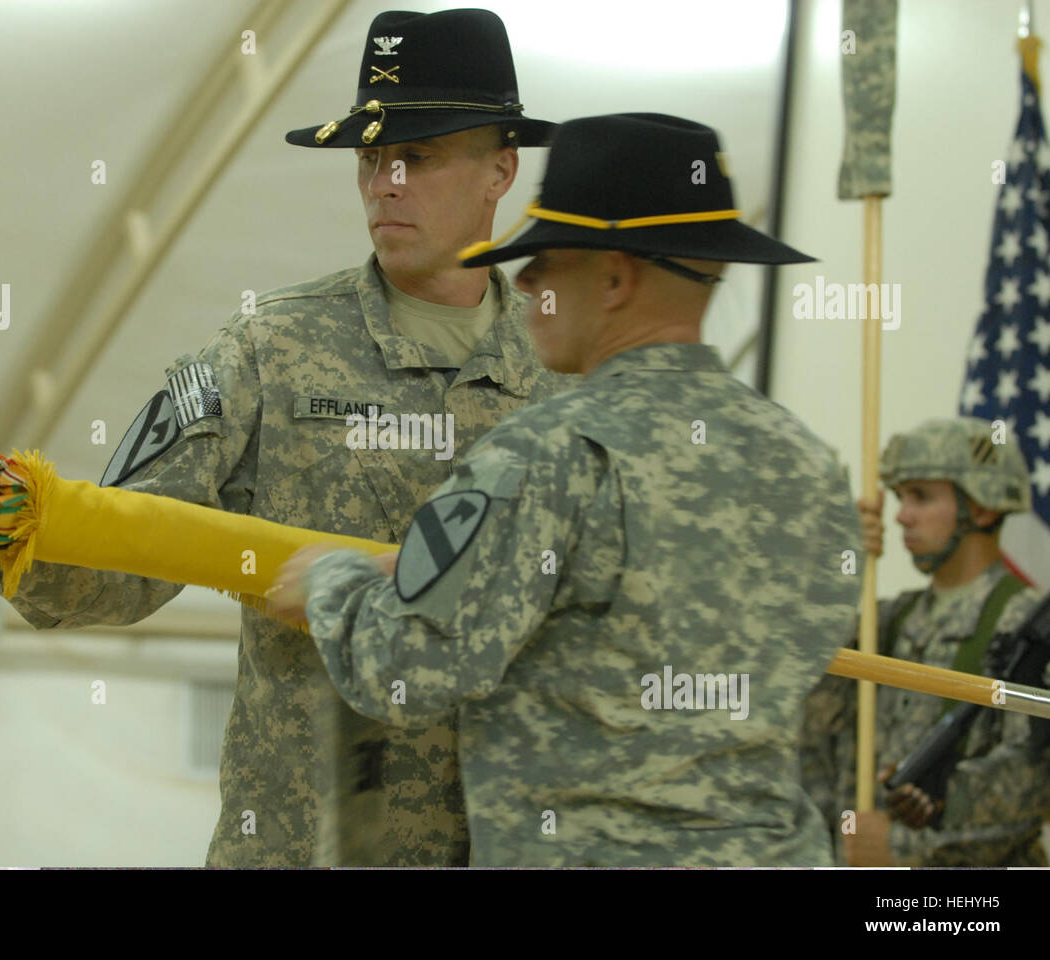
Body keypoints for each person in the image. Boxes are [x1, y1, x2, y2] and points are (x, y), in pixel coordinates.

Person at [0, 9, 563, 867]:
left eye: (416, 157)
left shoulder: (567, 376)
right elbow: (124, 553)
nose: (385, 183)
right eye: (371, 159)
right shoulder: (269, 349)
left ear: (502, 169)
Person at [268, 113, 864, 866]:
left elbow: (407, 668)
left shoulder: (550, 452)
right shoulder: (807, 465)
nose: (527, 282)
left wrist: (332, 581)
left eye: (546, 261)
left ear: (614, 277)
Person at [801, 417, 1050, 866]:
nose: (900, 515)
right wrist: (838, 571)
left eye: (921, 497)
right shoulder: (892, 619)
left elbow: (1027, 781)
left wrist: (898, 847)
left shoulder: (1029, 626)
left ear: (983, 508)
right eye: (900, 497)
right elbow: (813, 725)